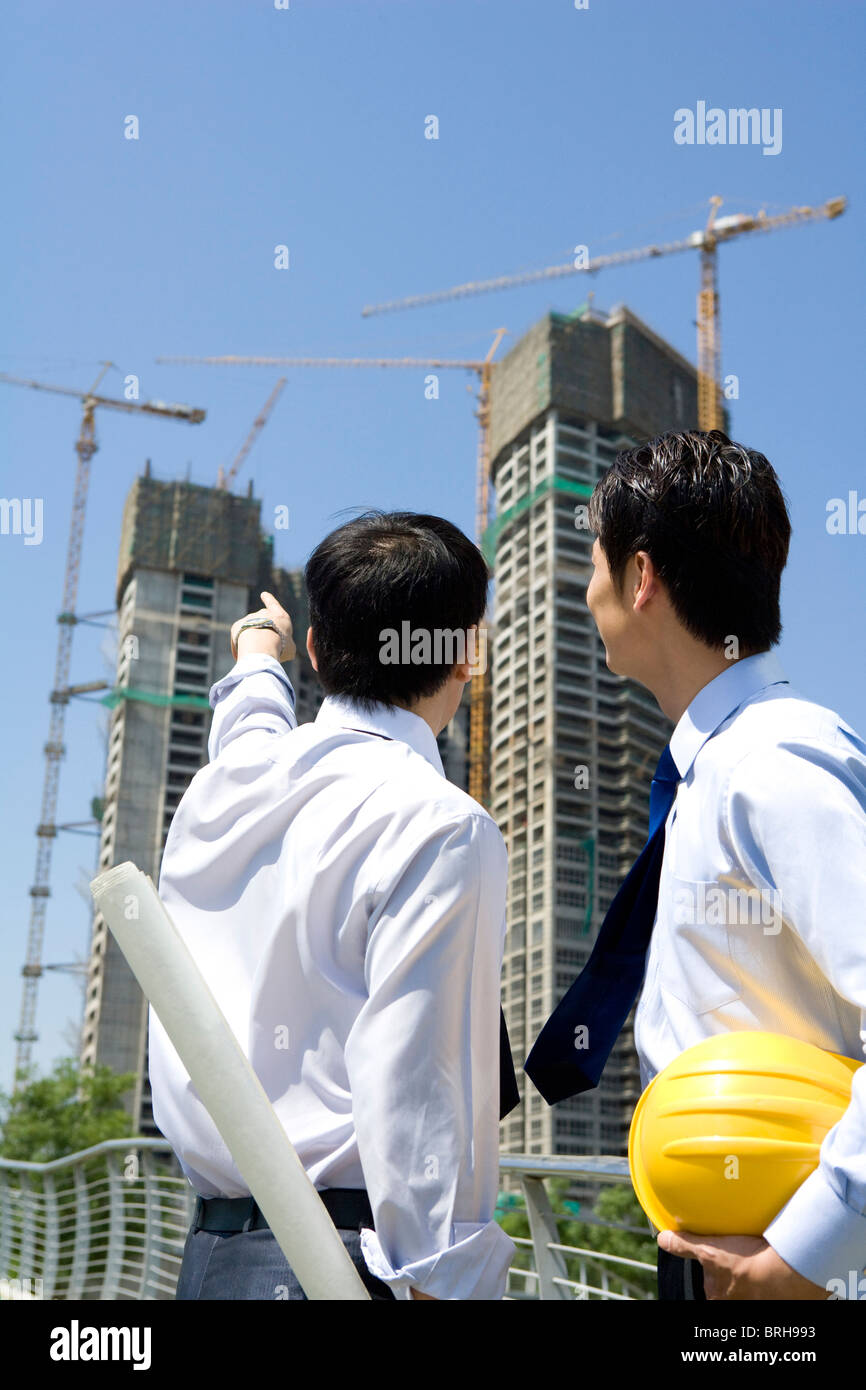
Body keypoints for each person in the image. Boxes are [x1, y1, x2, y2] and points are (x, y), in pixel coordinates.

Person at [524, 429, 866, 1301]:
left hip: (787, 1264)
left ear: (640, 577)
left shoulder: (774, 764)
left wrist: (810, 1251)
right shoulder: (714, 771)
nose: (587, 590)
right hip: (726, 1249)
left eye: (593, 563)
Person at [148, 511, 519, 1301]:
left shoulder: (220, 794)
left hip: (210, 1263)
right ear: (465, 656)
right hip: (351, 1267)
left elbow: (249, 729)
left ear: (317, 650)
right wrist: (438, 1281)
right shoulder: (442, 826)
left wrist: (258, 653)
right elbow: (416, 1091)